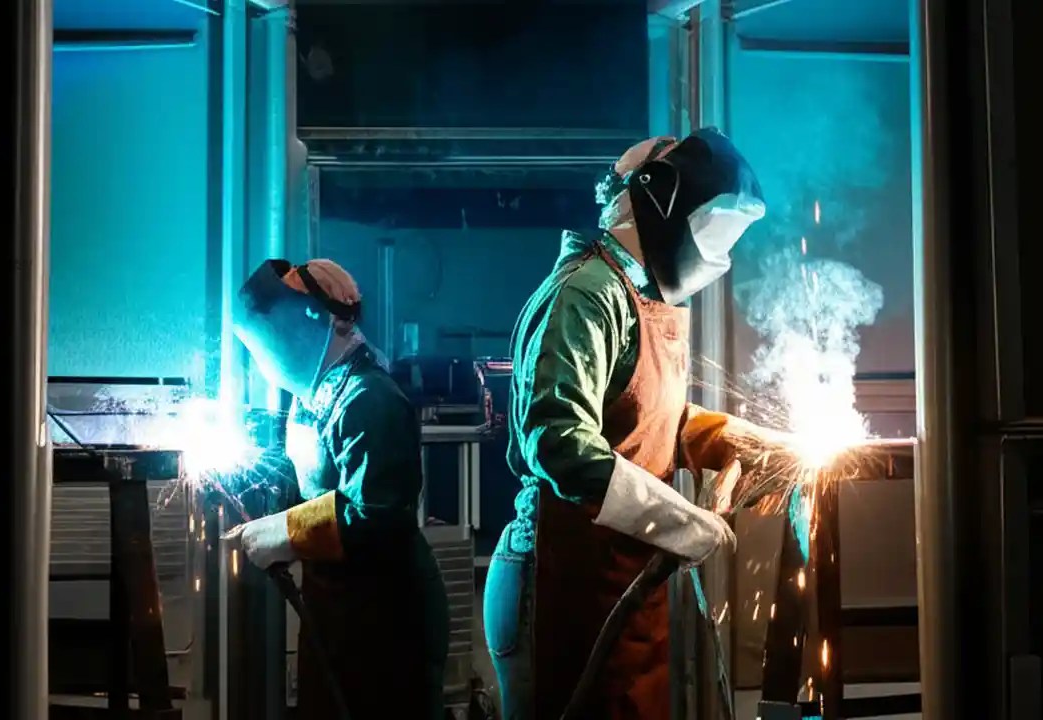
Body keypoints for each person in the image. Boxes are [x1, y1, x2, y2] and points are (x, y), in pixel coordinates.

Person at [484, 128, 771, 719]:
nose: (719, 252)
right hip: (564, 582)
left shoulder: (631, 292)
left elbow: (642, 414)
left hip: (617, 575)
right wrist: (679, 518)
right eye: (713, 229)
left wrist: (730, 440)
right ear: (660, 198)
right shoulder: (587, 294)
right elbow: (559, 442)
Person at [222, 258, 449, 720]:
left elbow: (378, 518)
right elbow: (304, 489)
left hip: (387, 619)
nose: (264, 361)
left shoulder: (370, 399)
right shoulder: (313, 400)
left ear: (312, 321)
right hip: (337, 609)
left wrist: (284, 532)